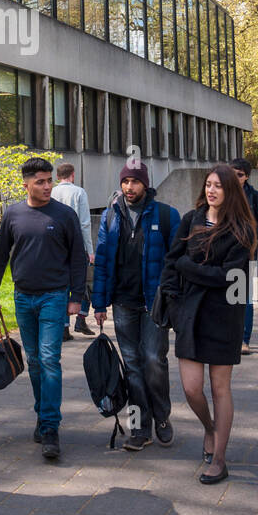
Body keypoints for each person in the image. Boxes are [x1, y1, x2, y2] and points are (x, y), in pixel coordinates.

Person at [0, 156, 89, 461]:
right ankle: (42, 415)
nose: (47, 187)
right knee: (32, 361)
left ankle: (50, 427)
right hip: (22, 297)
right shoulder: (14, 215)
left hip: (54, 297)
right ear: (26, 184)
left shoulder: (65, 215)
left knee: (49, 358)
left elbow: (78, 259)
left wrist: (76, 297)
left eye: (49, 181)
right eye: (41, 182)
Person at [159, 165, 255, 485]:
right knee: (190, 388)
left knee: (219, 388)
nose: (211, 190)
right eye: (208, 185)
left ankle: (219, 458)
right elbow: (172, 263)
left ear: (230, 191)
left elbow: (231, 277)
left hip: (224, 316)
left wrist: (191, 267)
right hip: (189, 312)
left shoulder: (242, 229)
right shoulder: (191, 219)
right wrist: (173, 300)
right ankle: (210, 427)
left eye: (218, 186)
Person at [91, 160, 181, 451]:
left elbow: (178, 261)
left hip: (154, 304)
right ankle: (139, 428)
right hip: (123, 303)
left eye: (135, 182)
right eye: (125, 182)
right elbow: (102, 262)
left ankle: (162, 417)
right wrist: (100, 303)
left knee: (154, 360)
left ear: (145, 184)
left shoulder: (167, 215)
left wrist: (173, 297)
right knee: (132, 367)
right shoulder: (109, 217)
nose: (129, 187)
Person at [230, 158, 258, 354]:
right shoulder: (219, 193)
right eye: (231, 173)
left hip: (247, 254)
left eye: (239, 174)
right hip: (222, 254)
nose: (234, 177)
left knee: (245, 298)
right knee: (226, 297)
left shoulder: (254, 196)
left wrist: (252, 238)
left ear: (246, 177)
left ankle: (244, 340)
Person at [50, 162, 95, 338]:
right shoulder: (79, 192)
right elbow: (84, 222)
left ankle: (64, 326)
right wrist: (89, 249)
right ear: (73, 175)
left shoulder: (51, 192)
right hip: (76, 246)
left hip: (56, 247)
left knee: (62, 285)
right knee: (83, 283)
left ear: (57, 176)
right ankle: (81, 318)